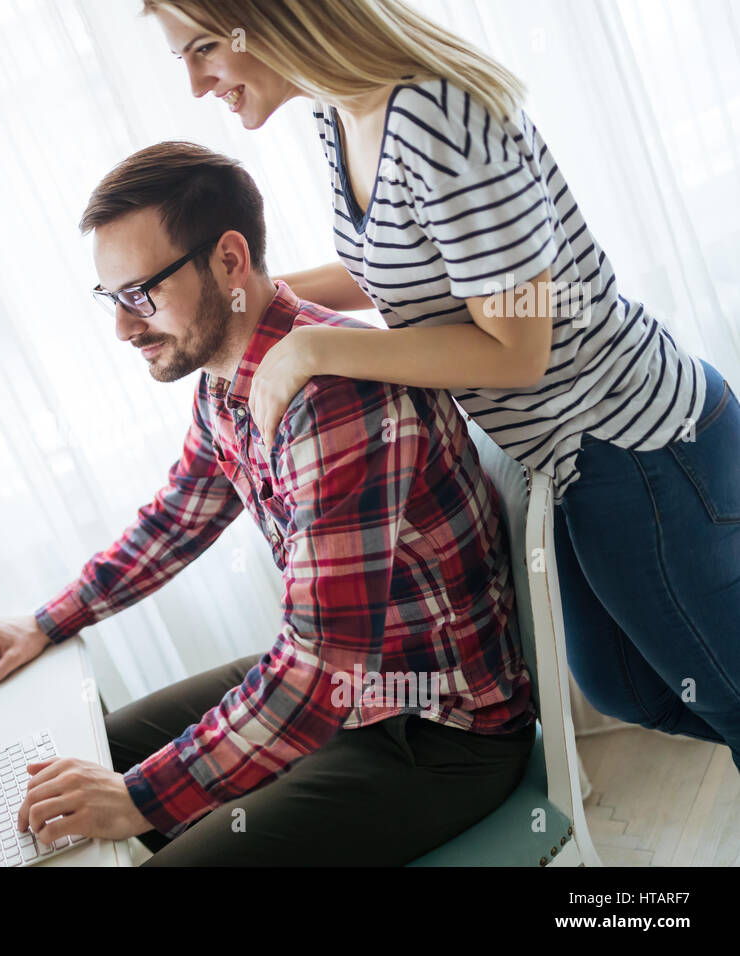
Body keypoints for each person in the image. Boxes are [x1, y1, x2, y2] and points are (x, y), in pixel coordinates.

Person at [144, 0, 740, 771]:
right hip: (566, 458)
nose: (195, 83)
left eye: (201, 49)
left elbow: (517, 352)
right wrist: (242, 304)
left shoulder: (436, 117)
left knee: (724, 695)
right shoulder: (340, 113)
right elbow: (387, 268)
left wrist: (315, 348)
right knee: (627, 689)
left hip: (638, 443)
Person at [0, 141, 535, 865]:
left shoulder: (335, 396)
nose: (124, 329)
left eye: (141, 295)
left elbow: (317, 671)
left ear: (228, 261)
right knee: (77, 760)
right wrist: (43, 622)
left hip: (432, 731)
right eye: (112, 299)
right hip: (354, 685)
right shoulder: (228, 374)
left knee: (137, 820)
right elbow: (177, 519)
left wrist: (136, 799)